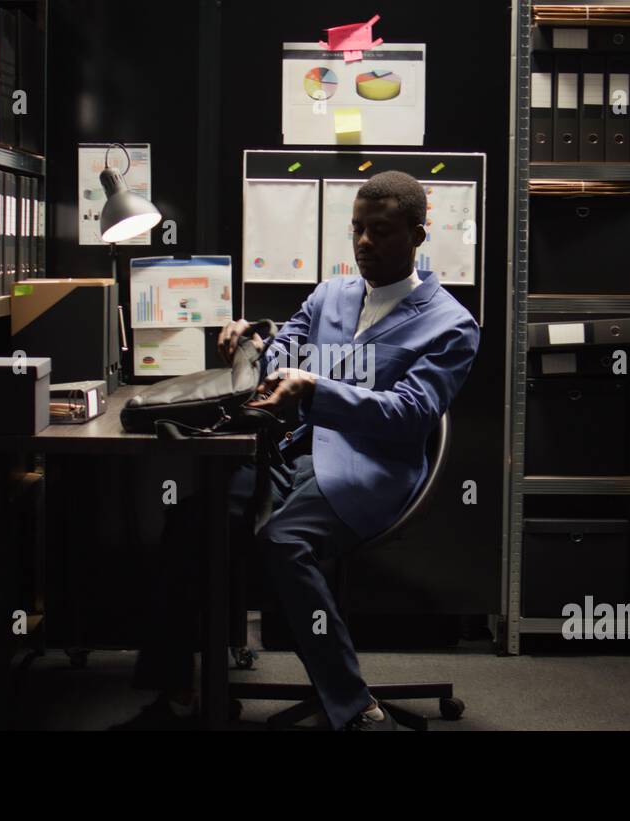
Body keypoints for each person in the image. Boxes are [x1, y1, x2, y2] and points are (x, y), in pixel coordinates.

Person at [118, 170, 480, 731]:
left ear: (417, 233)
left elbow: (410, 415)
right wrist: (256, 341)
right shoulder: (331, 292)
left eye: (380, 232)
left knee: (282, 541)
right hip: (290, 452)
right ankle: (181, 694)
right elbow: (288, 343)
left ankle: (352, 704)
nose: (364, 243)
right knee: (194, 519)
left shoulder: (451, 325)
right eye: (357, 229)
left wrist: (316, 389)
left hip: (375, 465)